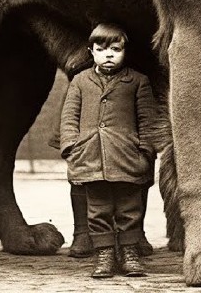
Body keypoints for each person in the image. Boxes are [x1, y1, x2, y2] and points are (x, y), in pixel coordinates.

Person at [59, 24, 157, 278]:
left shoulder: (137, 81)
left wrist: (145, 150)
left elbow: (147, 120)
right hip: (91, 157)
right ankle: (104, 255)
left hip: (127, 158)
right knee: (98, 210)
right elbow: (69, 117)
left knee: (129, 210)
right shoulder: (80, 82)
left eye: (115, 49)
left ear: (125, 52)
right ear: (91, 52)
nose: (109, 54)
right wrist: (72, 146)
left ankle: (130, 255)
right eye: (101, 49)